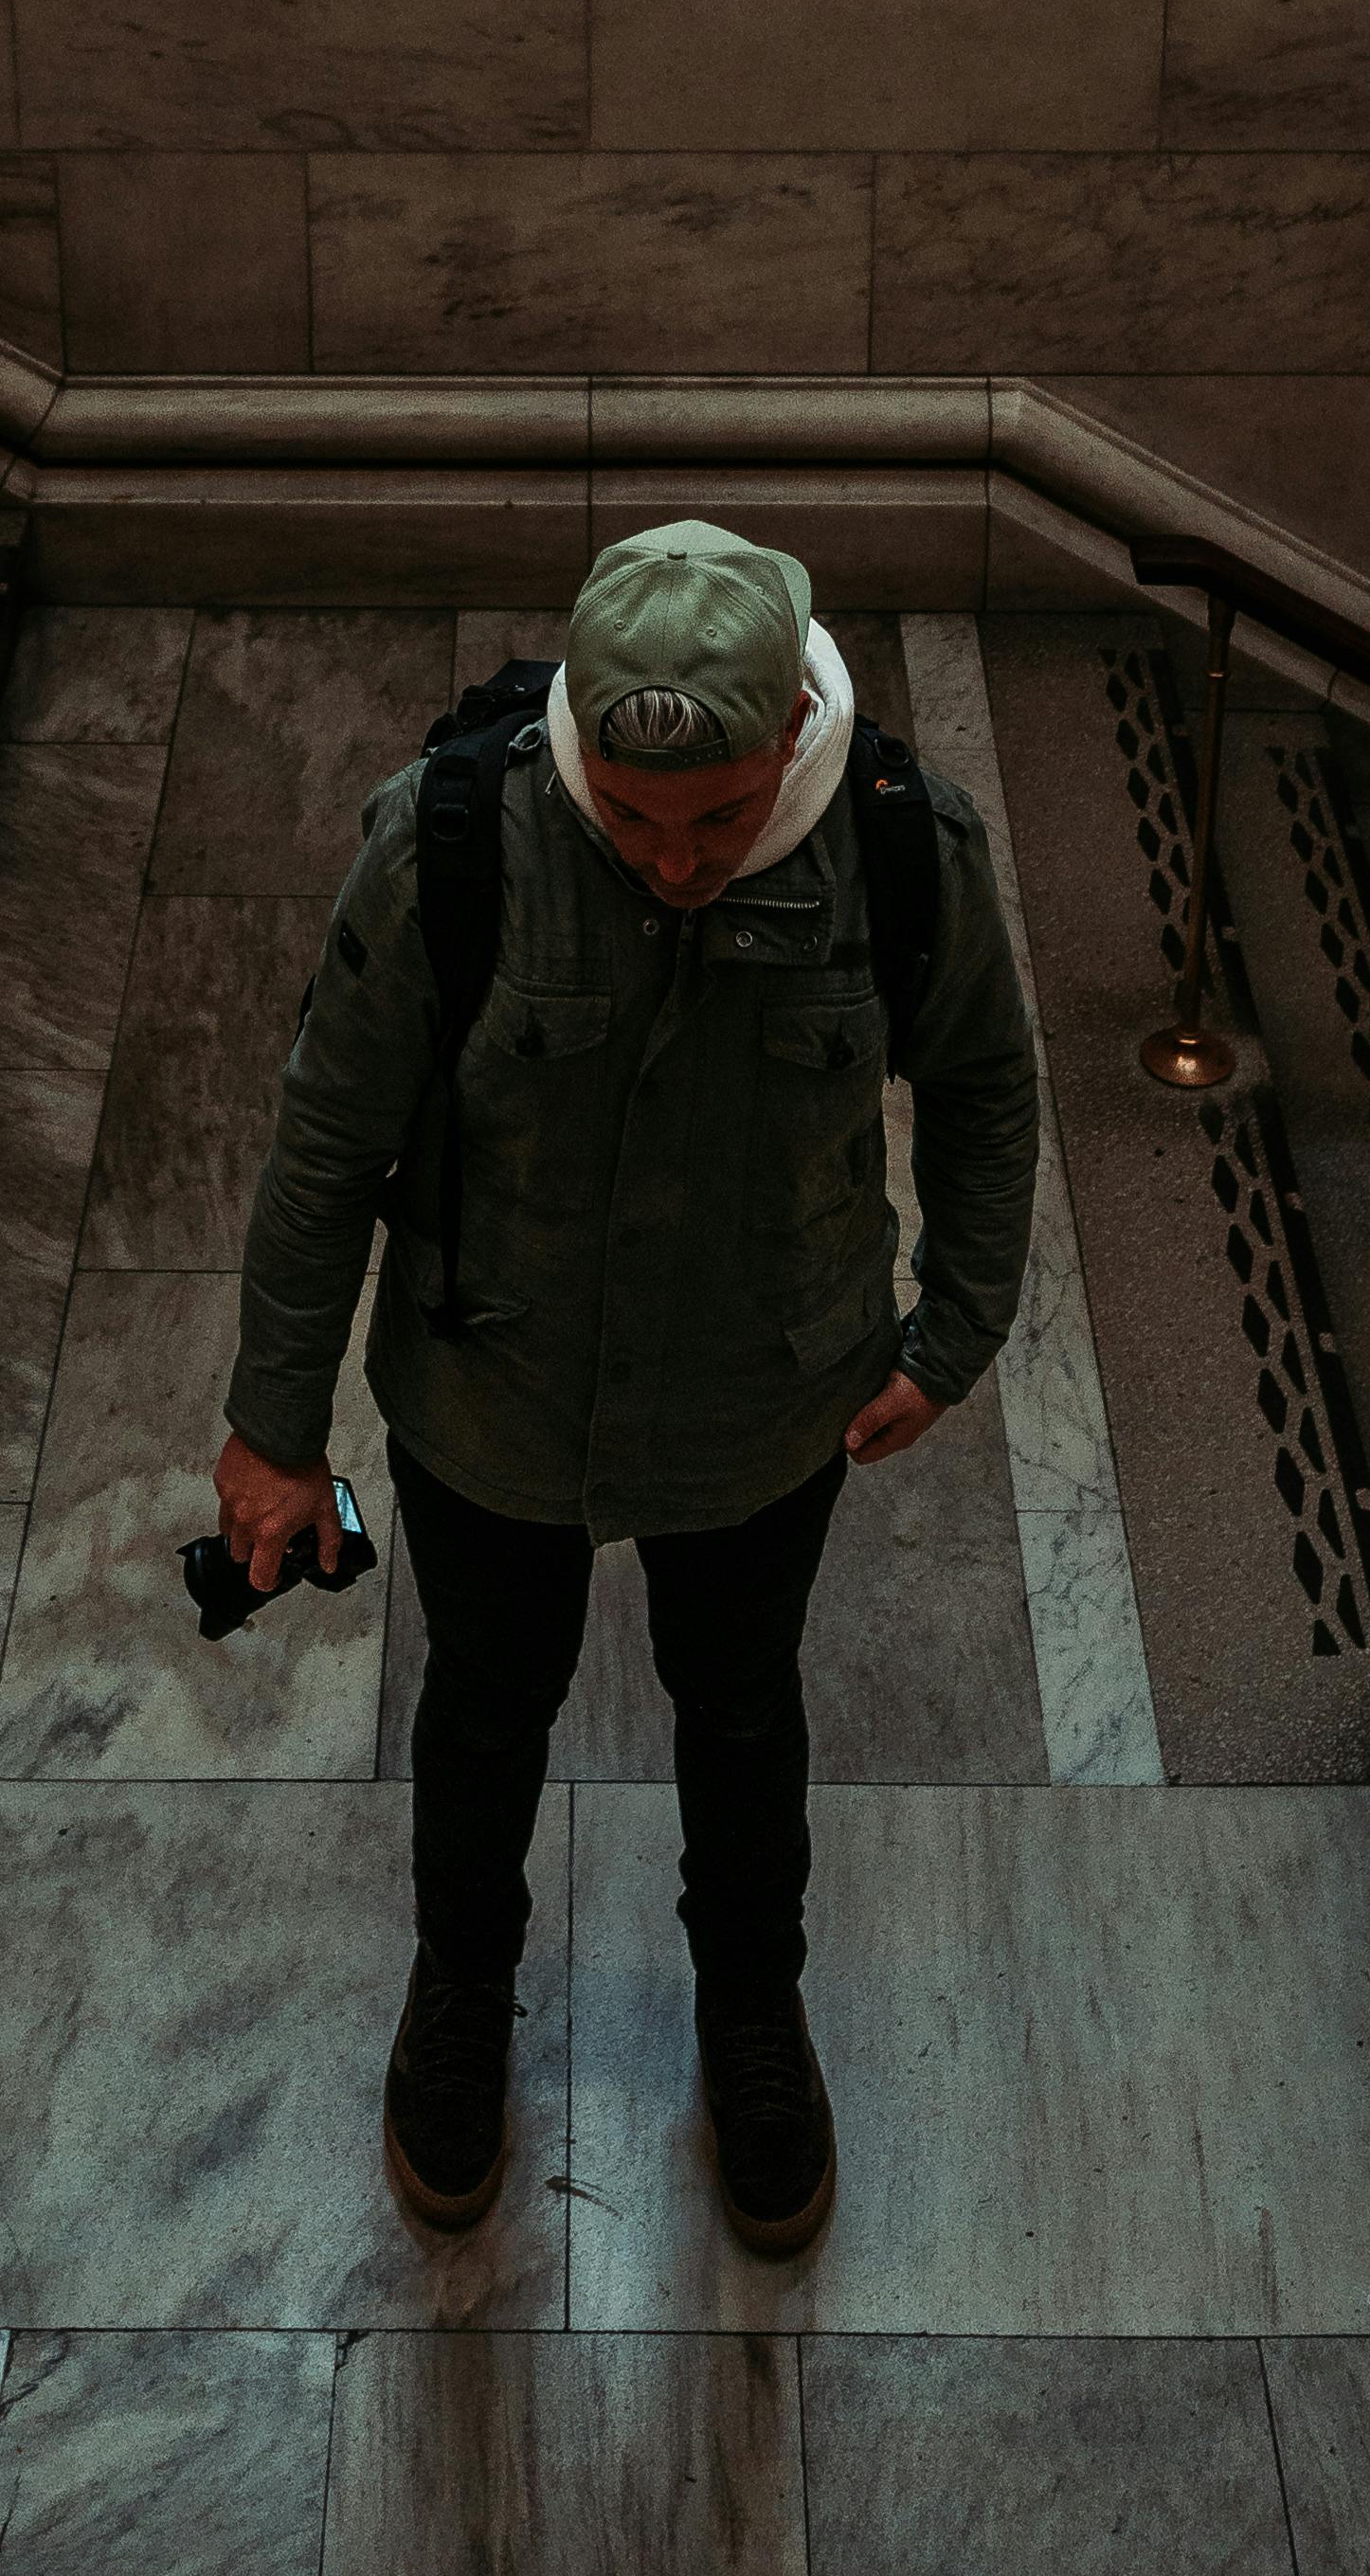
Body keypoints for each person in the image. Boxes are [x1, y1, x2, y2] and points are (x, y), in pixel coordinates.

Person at [211, 517, 1043, 2259]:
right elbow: (323, 1145)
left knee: (739, 1711)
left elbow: (982, 1080)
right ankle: (461, 1988)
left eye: (722, 819)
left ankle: (756, 2014)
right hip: (491, 1401)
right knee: (484, 1704)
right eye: (636, 813)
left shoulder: (899, 851)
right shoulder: (446, 841)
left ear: (794, 752)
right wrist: (276, 1435)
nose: (676, 861)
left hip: (765, 1407)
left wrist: (954, 1330)